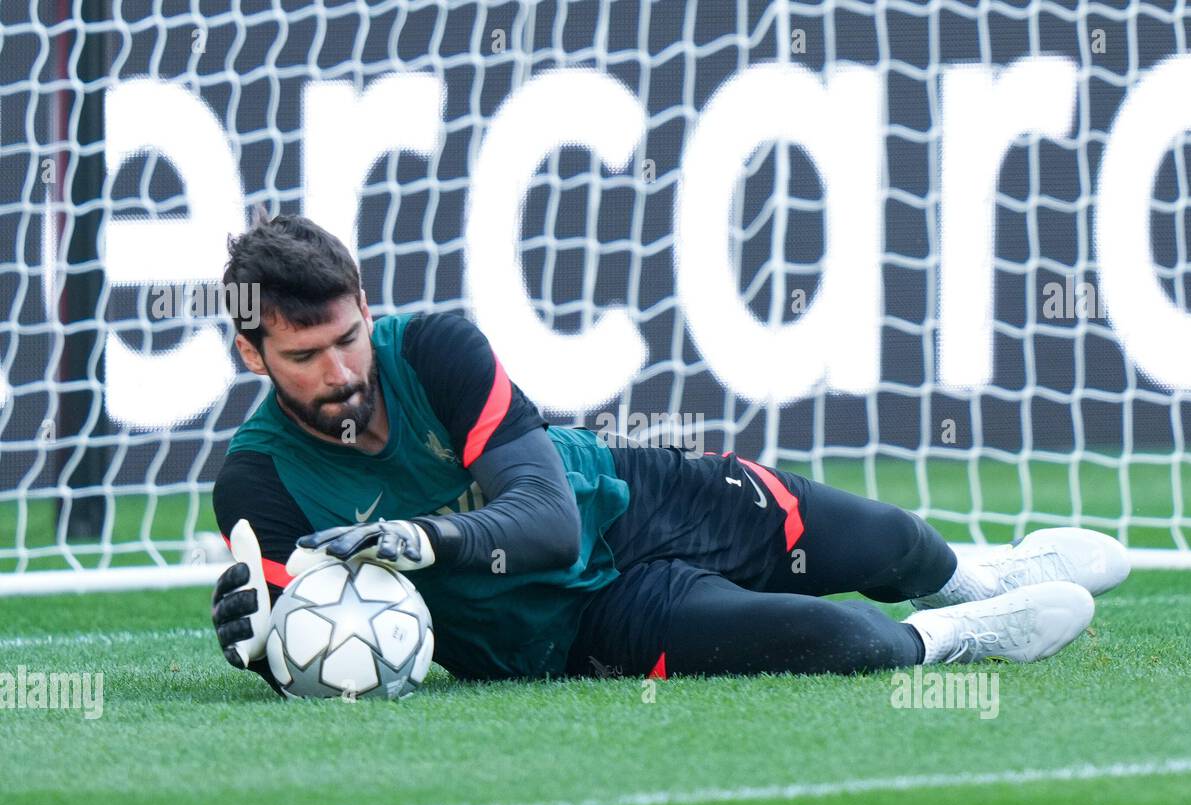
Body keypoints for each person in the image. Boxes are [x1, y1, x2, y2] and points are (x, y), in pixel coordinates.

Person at [210, 214, 1130, 694]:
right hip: (573, 627)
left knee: (885, 540)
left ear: (365, 305)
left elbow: (544, 518)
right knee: (839, 642)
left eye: (350, 336)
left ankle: (979, 575)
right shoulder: (259, 482)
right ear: (252, 354)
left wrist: (427, 539)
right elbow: (311, 639)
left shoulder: (439, 349)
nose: (340, 370)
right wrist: (252, 642)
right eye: (303, 355)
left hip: (627, 494)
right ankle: (964, 638)